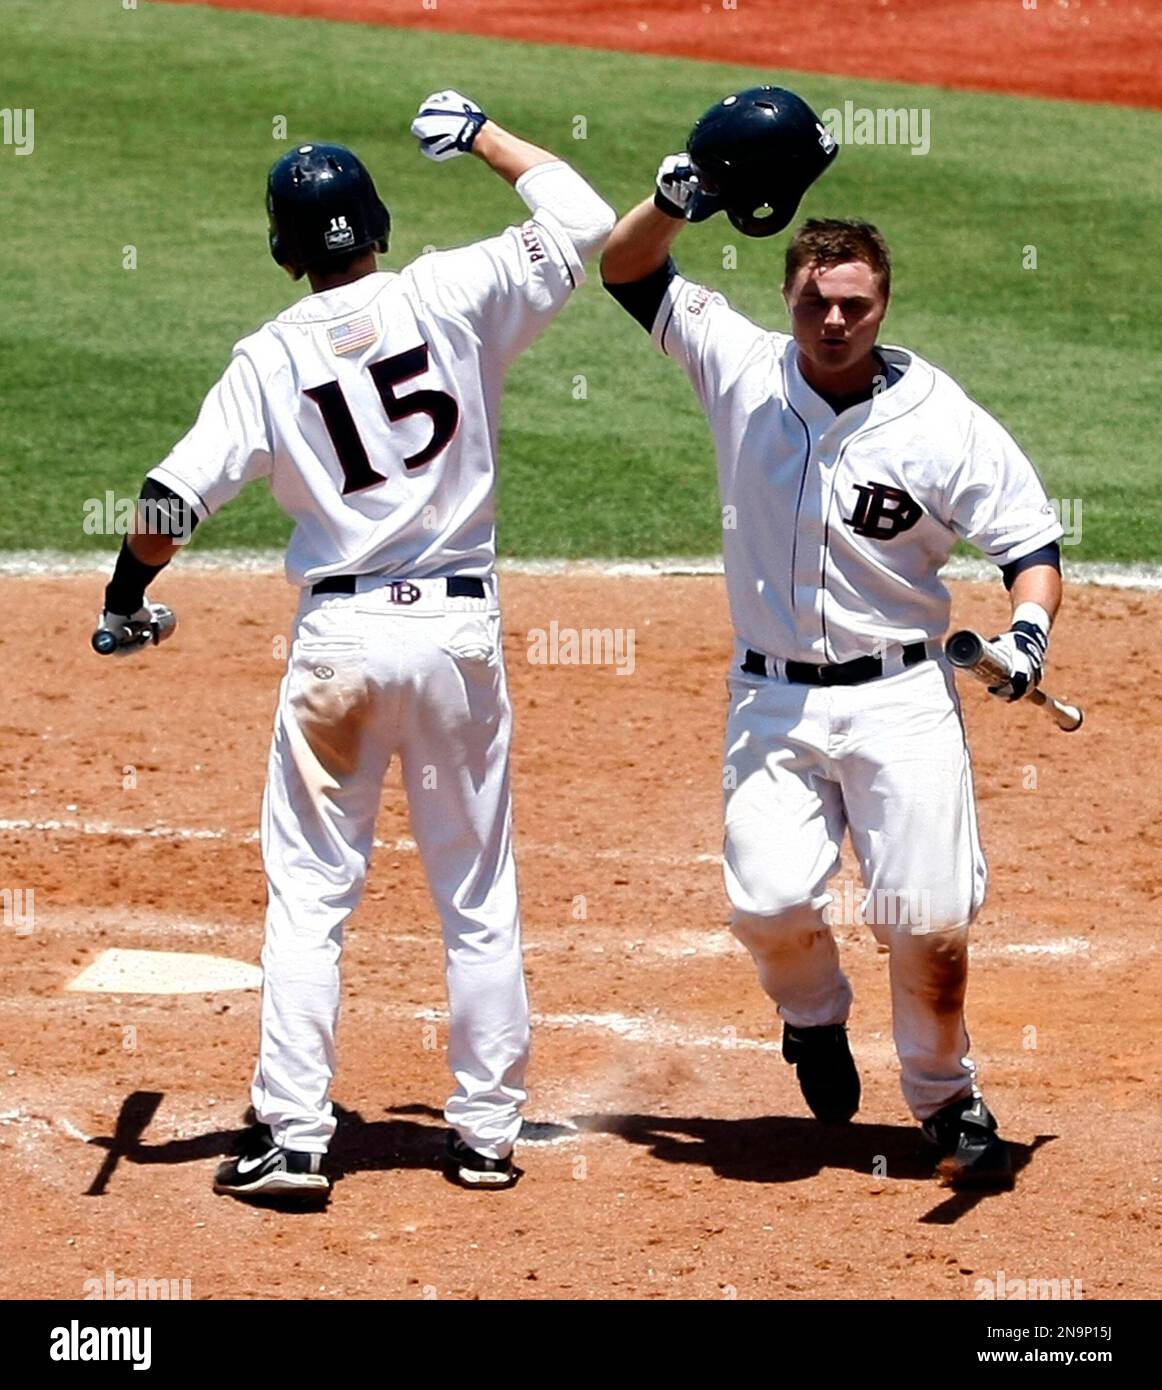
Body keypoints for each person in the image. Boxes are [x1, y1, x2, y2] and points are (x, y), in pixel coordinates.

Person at [93, 90, 615, 1200]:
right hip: (457, 632)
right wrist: (479, 135)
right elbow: (583, 221)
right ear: (379, 223)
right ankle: (482, 1136)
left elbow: (167, 500)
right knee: (475, 893)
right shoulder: (454, 290)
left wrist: (127, 591)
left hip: (338, 640)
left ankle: (290, 1138)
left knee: (312, 897)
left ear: (286, 254)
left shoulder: (267, 355)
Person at [600, 150, 1063, 1186]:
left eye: (854, 303)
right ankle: (812, 1016)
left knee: (929, 924)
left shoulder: (942, 421)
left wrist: (1026, 636)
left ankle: (946, 1102)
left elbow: (1031, 547)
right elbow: (627, 270)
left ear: (882, 305)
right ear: (789, 297)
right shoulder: (737, 365)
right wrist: (677, 197)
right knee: (766, 903)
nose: (834, 320)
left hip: (902, 697)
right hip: (771, 696)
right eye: (816, 301)